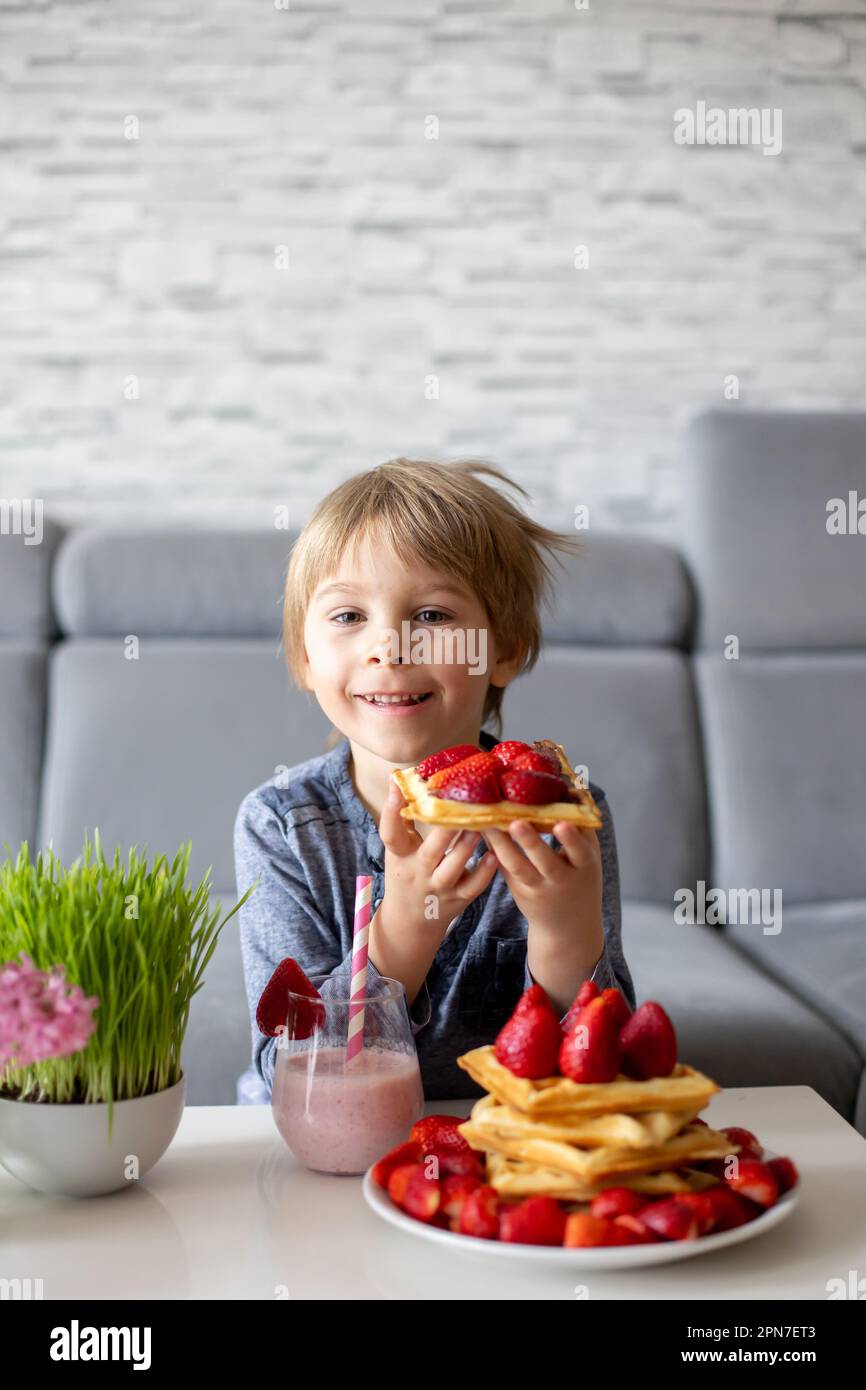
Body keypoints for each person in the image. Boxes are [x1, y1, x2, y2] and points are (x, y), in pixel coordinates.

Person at [234, 456, 634, 1103]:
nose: (389, 647)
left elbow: (603, 1074)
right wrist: (405, 926)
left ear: (503, 648)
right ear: (306, 658)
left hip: (490, 1149)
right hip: (316, 1155)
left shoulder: (560, 818)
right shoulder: (282, 824)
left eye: (431, 616)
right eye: (347, 617)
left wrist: (565, 932)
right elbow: (292, 1066)